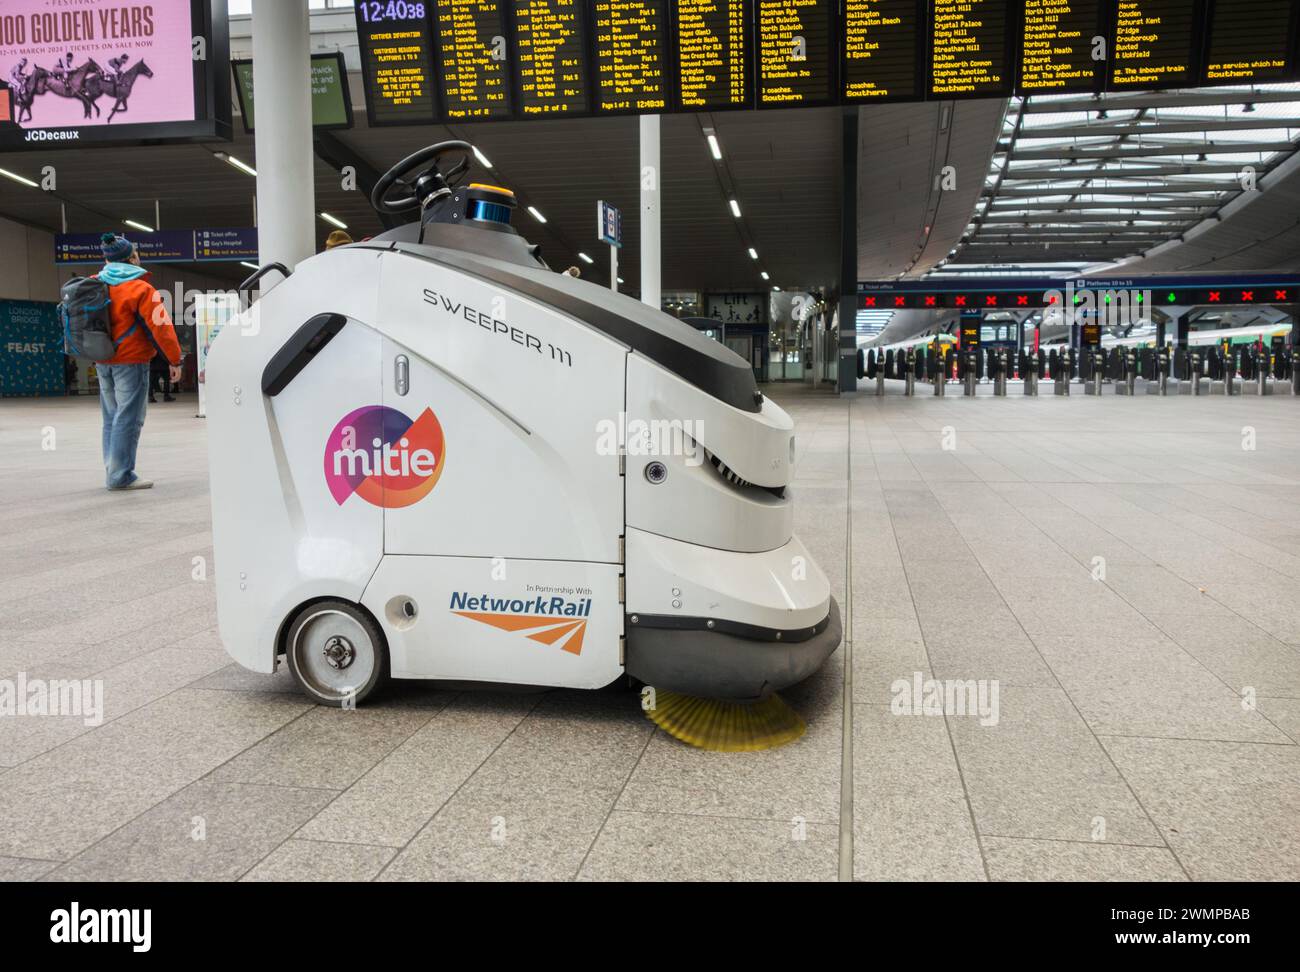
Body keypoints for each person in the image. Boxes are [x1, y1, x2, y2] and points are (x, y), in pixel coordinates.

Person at [95, 232, 182, 490]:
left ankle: (112, 470)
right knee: (129, 418)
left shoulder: (94, 283)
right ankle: (120, 476)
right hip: (130, 361)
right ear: (133, 257)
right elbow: (162, 327)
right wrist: (175, 359)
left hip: (102, 360)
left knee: (111, 417)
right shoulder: (141, 288)